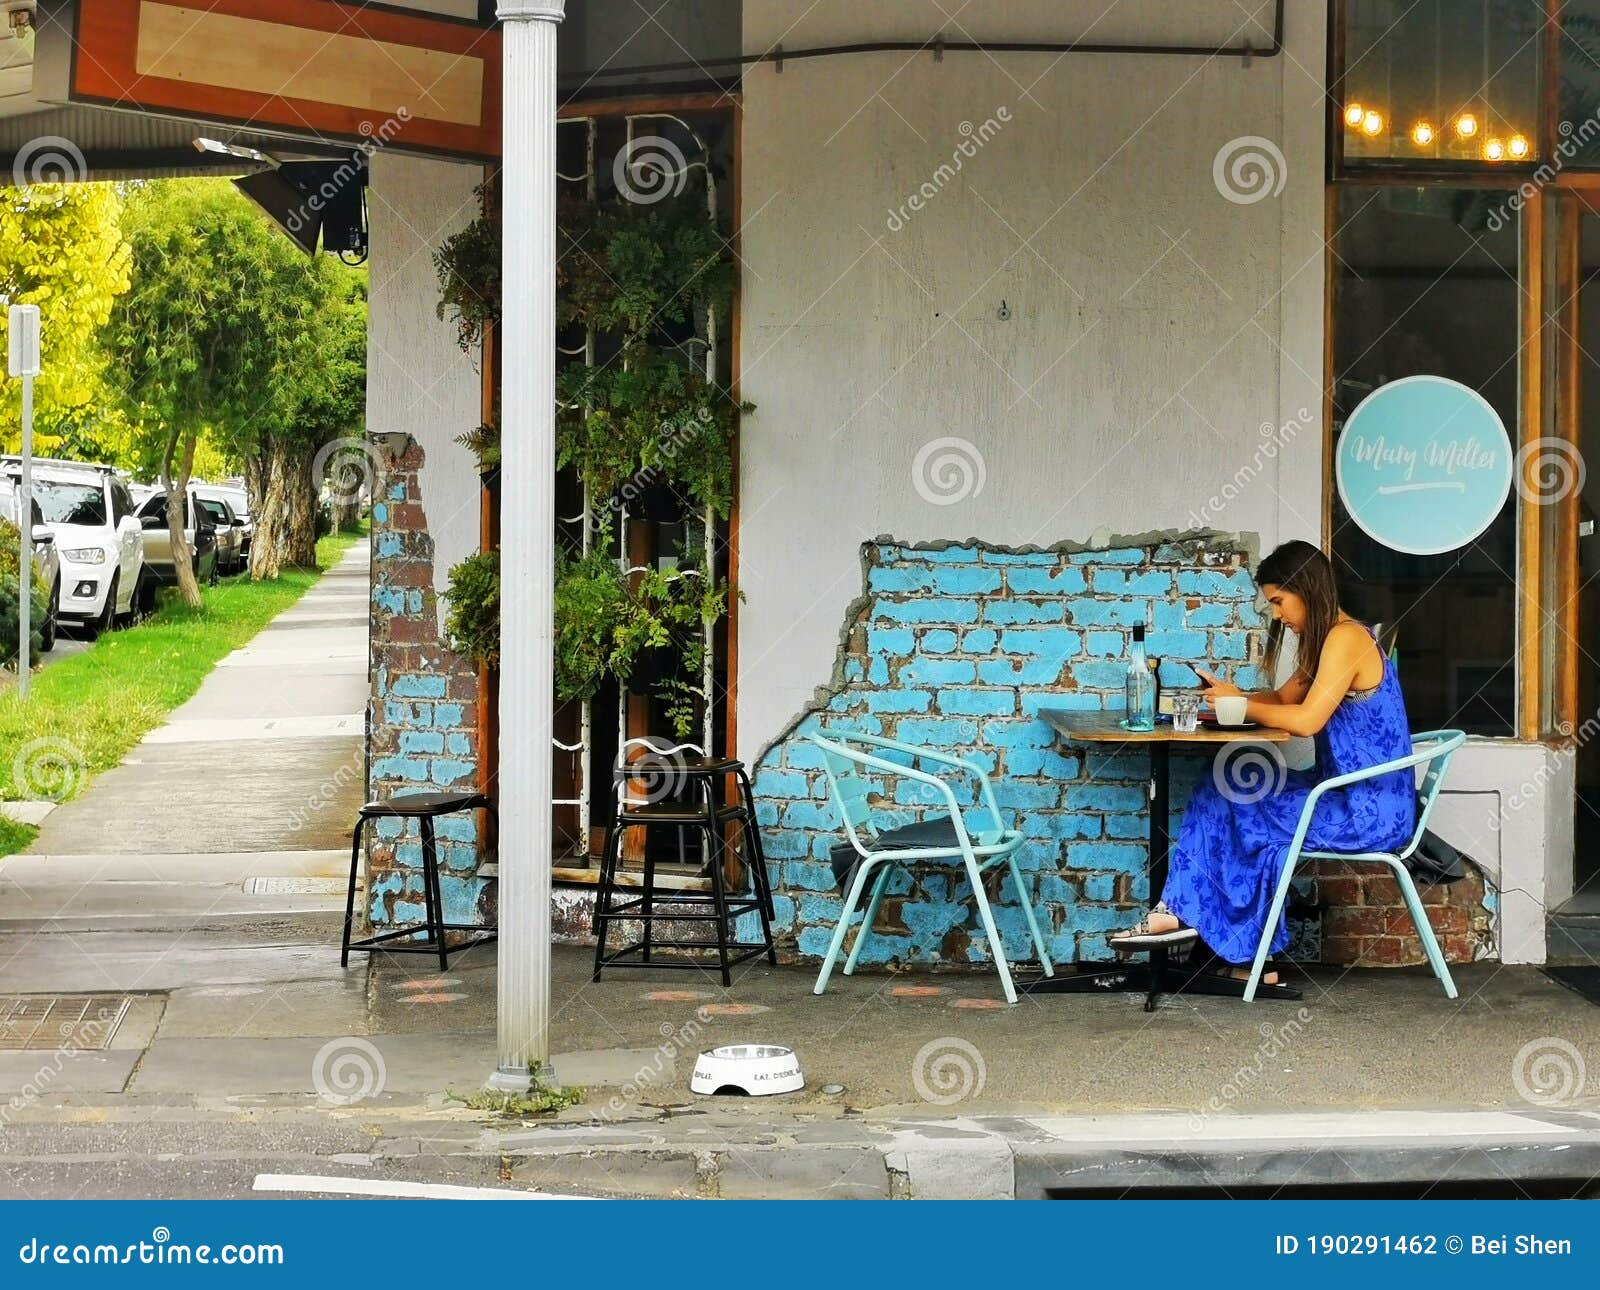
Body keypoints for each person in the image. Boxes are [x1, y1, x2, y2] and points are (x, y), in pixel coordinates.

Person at [1109, 540, 1417, 985]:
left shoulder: (1347, 639)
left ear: (1306, 589)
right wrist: (1230, 697)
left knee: (1239, 799)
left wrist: (1242, 707)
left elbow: (1306, 721)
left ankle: (1206, 929)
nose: (1276, 615)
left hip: (1367, 810)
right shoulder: (1328, 642)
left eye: (1278, 601)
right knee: (1226, 782)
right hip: (1339, 795)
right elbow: (1283, 700)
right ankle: (1216, 939)